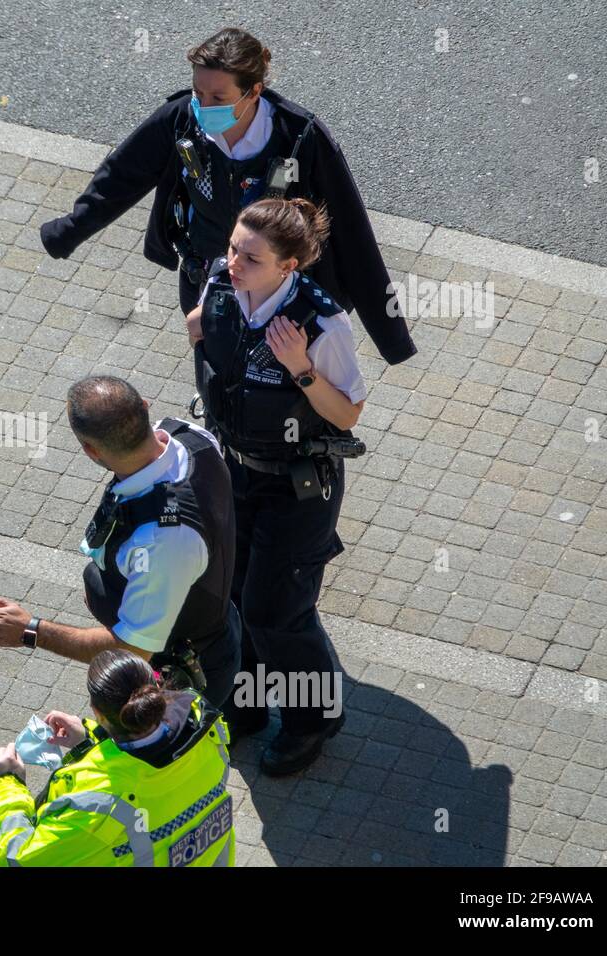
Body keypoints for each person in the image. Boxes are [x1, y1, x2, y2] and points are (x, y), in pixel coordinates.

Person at [39, 26, 415, 366]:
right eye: (198, 93)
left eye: (218, 97)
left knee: (274, 392)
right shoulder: (182, 119)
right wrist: (70, 230)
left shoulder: (300, 139)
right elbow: (122, 175)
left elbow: (352, 232)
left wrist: (391, 338)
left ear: (253, 92)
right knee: (219, 379)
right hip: (207, 285)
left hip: (281, 298)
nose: (204, 106)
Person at [186, 196, 365, 775]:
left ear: (288, 267)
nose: (234, 262)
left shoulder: (321, 322)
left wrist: (301, 370)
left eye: (251, 257)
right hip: (231, 471)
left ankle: (315, 719)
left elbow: (346, 415)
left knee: (276, 611)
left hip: (296, 486)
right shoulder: (219, 281)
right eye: (234, 247)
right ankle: (247, 705)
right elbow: (204, 329)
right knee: (231, 597)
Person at [0, 375, 241, 710]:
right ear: (146, 409)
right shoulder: (188, 434)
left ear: (91, 451)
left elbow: (133, 649)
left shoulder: (162, 542)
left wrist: (32, 631)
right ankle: (244, 722)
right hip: (210, 622)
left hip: (181, 677)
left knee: (173, 756)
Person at [0, 649, 234, 867]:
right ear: (155, 693)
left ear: (98, 713)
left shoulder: (97, 802)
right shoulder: (206, 728)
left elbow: (19, 857)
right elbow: (148, 760)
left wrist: (8, 783)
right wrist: (90, 740)